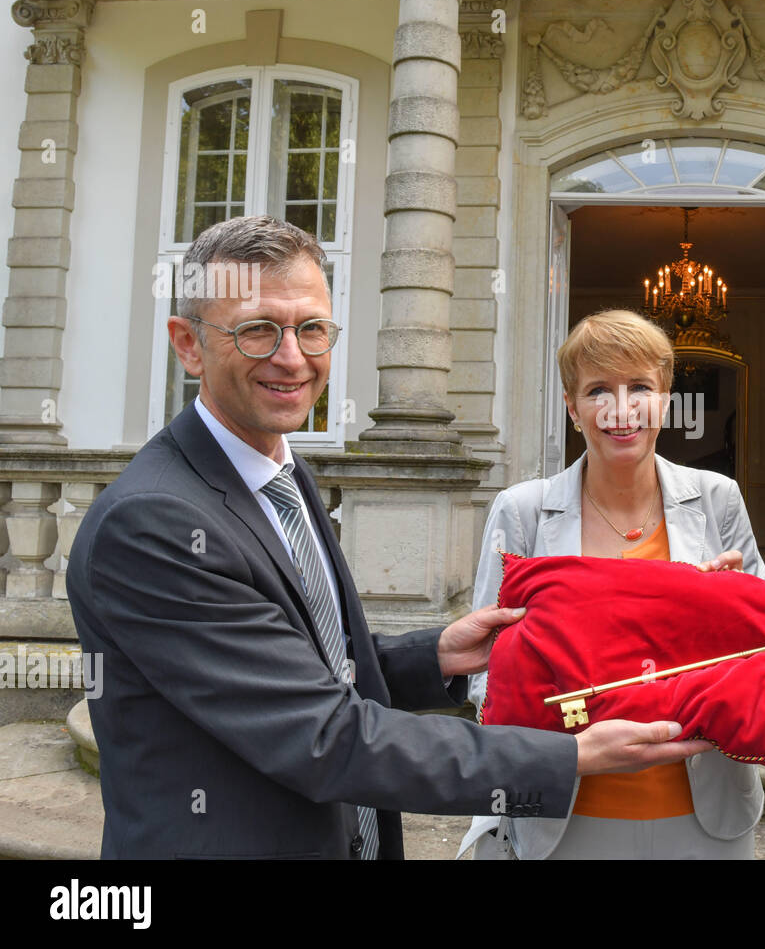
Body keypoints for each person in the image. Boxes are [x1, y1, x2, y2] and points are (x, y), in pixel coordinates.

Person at [66, 216, 709, 859]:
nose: (292, 357)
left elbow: (308, 663)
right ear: (188, 344)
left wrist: (436, 657)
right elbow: (323, 736)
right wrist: (566, 756)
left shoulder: (283, 472)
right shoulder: (154, 523)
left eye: (312, 329)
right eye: (258, 329)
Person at [460, 310, 765, 860]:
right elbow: (486, 677)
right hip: (565, 815)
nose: (621, 409)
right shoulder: (524, 511)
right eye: (599, 389)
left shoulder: (717, 497)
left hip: (705, 814)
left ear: (667, 400)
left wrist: (729, 620)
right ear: (572, 407)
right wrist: (572, 737)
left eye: (640, 388)